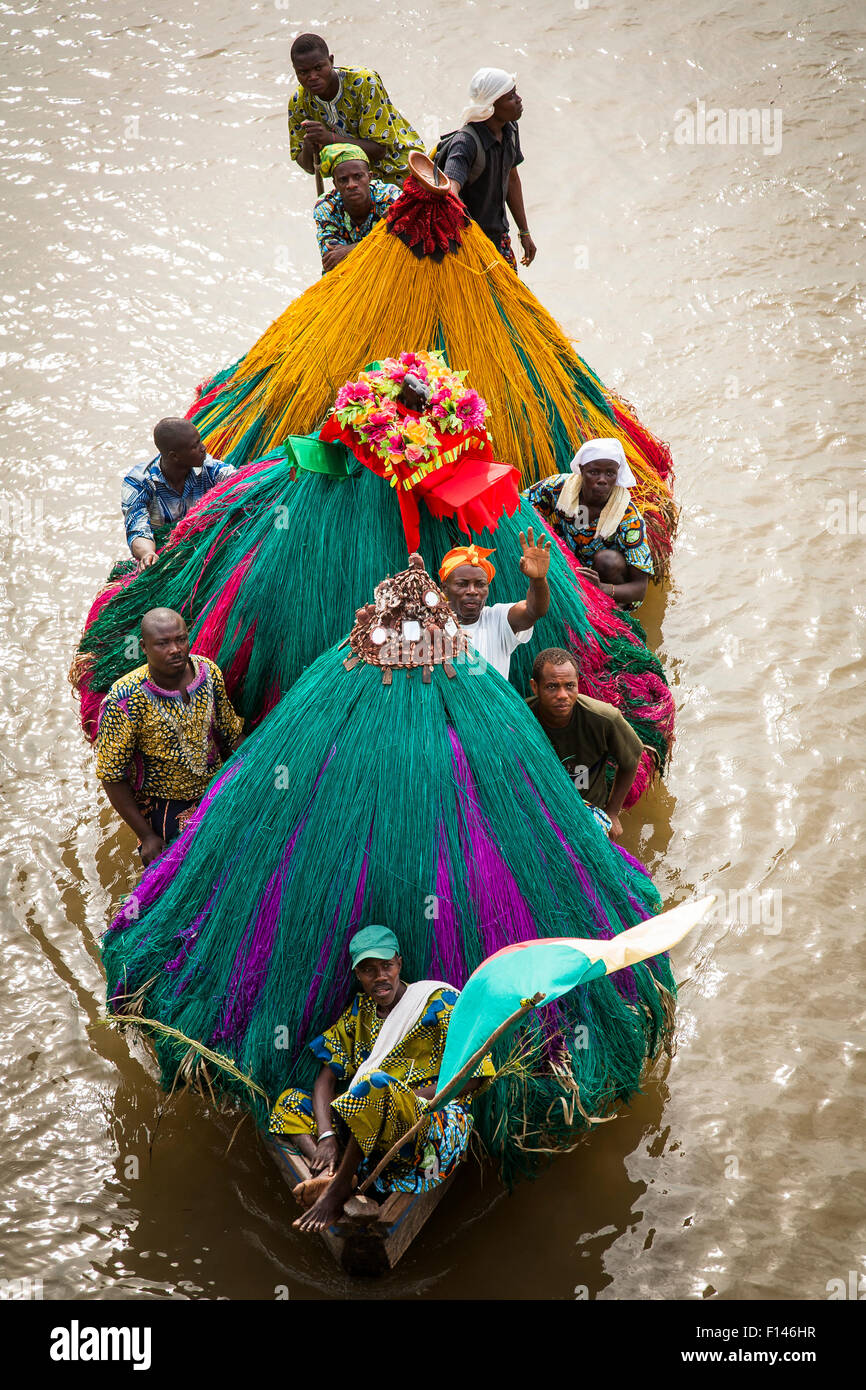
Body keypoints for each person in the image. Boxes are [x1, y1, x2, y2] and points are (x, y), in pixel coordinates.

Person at [269, 925, 495, 1233]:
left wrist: (406, 1099)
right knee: (291, 1102)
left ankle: (334, 1194)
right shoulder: (360, 1012)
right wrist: (326, 1137)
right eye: (368, 970)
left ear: (399, 964)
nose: (379, 977)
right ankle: (334, 1174)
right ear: (357, 976)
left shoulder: (438, 1001)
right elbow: (326, 1079)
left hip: (431, 1122)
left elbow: (474, 1076)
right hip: (366, 1121)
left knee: (377, 1088)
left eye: (386, 966)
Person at [95, 608, 243, 865]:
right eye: (163, 643)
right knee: (188, 871)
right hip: (165, 802)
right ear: (144, 647)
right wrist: (146, 835)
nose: (175, 649)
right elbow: (112, 777)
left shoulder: (208, 672)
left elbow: (231, 733)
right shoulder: (125, 699)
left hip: (215, 784)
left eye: (181, 639)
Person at [524, 437, 654, 609]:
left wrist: (601, 588)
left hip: (609, 582)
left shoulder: (628, 517)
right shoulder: (559, 488)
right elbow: (520, 508)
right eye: (594, 472)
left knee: (608, 560)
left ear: (617, 474)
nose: (602, 480)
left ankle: (605, 614)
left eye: (610, 473)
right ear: (581, 470)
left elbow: (639, 589)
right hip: (568, 562)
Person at [527, 648, 645, 837]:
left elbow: (632, 758)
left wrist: (612, 812)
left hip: (588, 816)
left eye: (570, 686)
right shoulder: (521, 720)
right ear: (535, 687)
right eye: (552, 686)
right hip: (542, 812)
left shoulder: (604, 719)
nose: (563, 695)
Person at [288, 33, 424, 187]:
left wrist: (329, 139)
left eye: (318, 68)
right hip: (352, 184)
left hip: (399, 170)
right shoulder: (298, 102)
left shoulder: (363, 82)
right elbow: (309, 167)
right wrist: (308, 144)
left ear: (331, 61)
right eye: (303, 73)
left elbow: (379, 151)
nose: (312, 77)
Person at [441, 67, 536, 271]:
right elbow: (450, 187)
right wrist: (472, 238)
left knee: (510, 300)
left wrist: (524, 232)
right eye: (511, 97)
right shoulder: (466, 142)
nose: (519, 99)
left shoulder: (510, 130)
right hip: (468, 246)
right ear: (492, 106)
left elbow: (511, 179)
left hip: (499, 239)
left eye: (516, 93)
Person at [121, 419, 235, 572]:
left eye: (200, 441)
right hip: (167, 556)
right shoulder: (140, 482)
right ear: (174, 456)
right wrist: (147, 554)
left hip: (204, 548)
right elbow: (137, 527)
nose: (203, 448)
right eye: (195, 446)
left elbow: (238, 479)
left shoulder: (208, 468)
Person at [438, 531, 551, 680]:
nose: (472, 591)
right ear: (444, 587)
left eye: (480, 584)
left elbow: (534, 610)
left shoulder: (497, 618)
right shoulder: (430, 624)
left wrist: (538, 580)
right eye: (462, 584)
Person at [313, 143, 401, 272]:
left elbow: (401, 242)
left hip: (388, 267)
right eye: (343, 180)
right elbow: (332, 258)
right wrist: (378, 242)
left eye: (358, 177)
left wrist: (349, 250)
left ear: (370, 177)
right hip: (349, 273)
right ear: (335, 184)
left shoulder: (389, 195)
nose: (351, 185)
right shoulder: (326, 206)